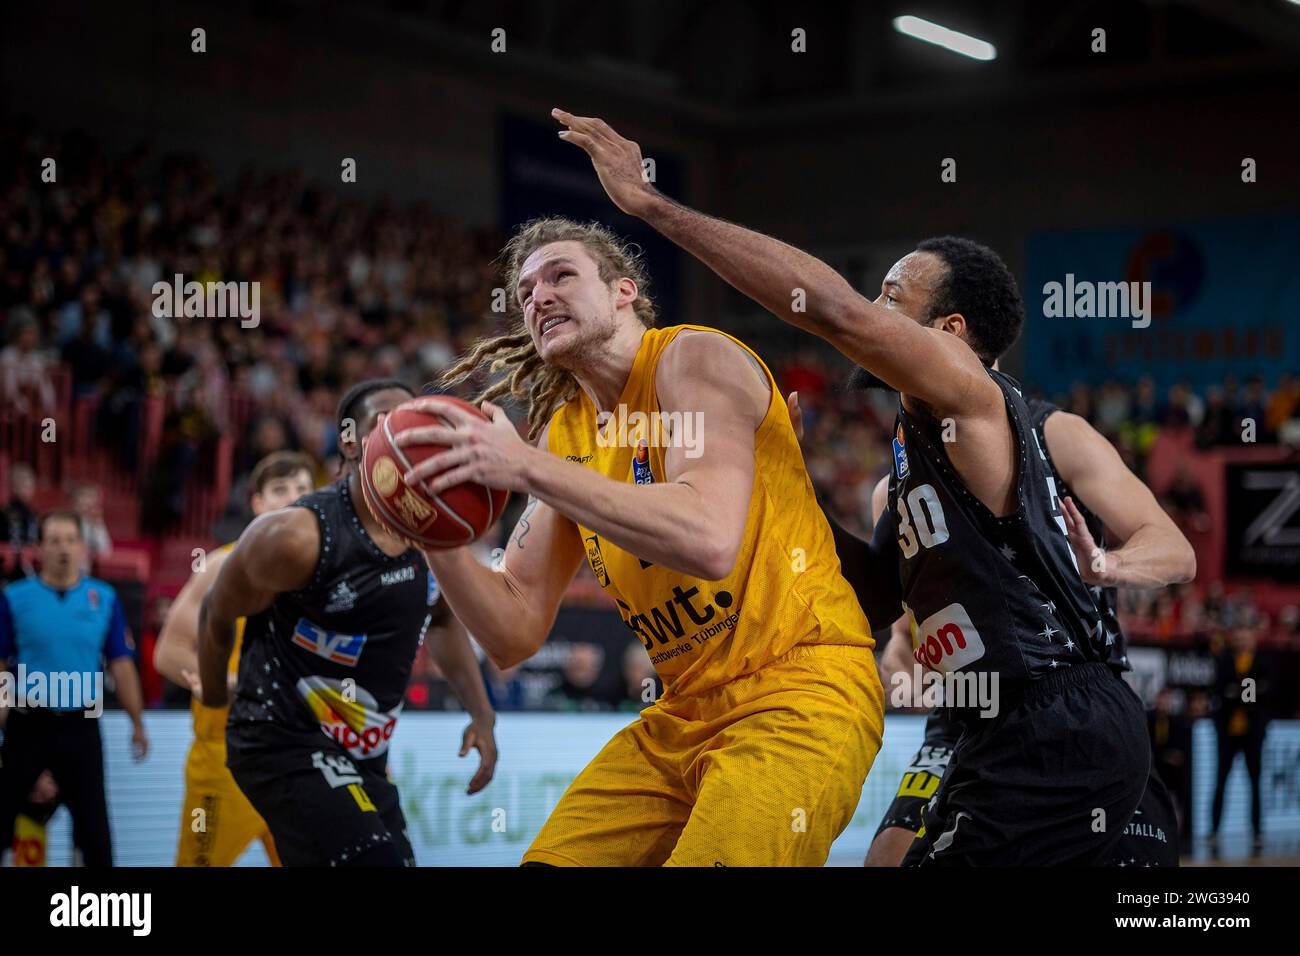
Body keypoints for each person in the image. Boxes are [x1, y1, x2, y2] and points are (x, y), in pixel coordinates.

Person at [556, 108, 1168, 864]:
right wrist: (783, 482)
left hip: (1057, 707)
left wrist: (650, 206)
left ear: (948, 335)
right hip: (977, 717)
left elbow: (833, 310)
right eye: (877, 294)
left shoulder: (978, 398)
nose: (875, 309)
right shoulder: (905, 462)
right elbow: (878, 598)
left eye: (892, 296)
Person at [394, 216, 883, 866]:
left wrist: (527, 468)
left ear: (624, 291)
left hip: (801, 687)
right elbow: (512, 631)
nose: (537, 297)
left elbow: (708, 538)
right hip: (683, 712)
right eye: (525, 293)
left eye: (560, 275)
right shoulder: (561, 437)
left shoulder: (694, 359)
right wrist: (435, 532)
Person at [857, 390, 1194, 866]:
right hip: (965, 716)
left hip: (1071, 707)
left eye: (897, 311)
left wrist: (1105, 562)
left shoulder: (1055, 434)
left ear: (955, 327)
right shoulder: (894, 488)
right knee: (886, 859)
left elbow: (1177, 552)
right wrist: (902, 661)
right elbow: (902, 638)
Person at [197, 379, 497, 867]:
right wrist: (213, 700)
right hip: (278, 736)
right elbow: (216, 610)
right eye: (382, 421)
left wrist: (481, 714)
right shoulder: (296, 536)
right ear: (349, 440)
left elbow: (440, 619)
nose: (396, 432)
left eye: (408, 421)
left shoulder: (434, 533)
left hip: (361, 753)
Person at [154, 450, 315, 866]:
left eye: (302, 488)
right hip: (224, 758)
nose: (293, 498)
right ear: (257, 503)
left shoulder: (325, 574)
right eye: (280, 490)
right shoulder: (221, 565)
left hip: (298, 756)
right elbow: (167, 652)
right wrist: (217, 682)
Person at [0, 510, 149, 866]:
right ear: (40, 548)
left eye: (70, 539)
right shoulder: (14, 598)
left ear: (83, 547)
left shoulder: (104, 598)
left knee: (96, 834)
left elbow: (122, 664)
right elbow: (1, 666)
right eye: (54, 540)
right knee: (2, 818)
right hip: (26, 725)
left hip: (81, 727)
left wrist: (138, 723)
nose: (63, 548)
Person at [1210, 623, 1270, 851]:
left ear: (1254, 639)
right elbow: (1220, 692)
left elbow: (1264, 693)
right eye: (1239, 637)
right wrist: (1248, 693)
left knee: (1255, 782)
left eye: (1246, 637)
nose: (1242, 642)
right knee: (1220, 781)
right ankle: (1214, 832)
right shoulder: (1224, 661)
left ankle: (1257, 832)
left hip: (1252, 735)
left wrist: (1238, 693)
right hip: (1227, 734)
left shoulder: (1264, 662)